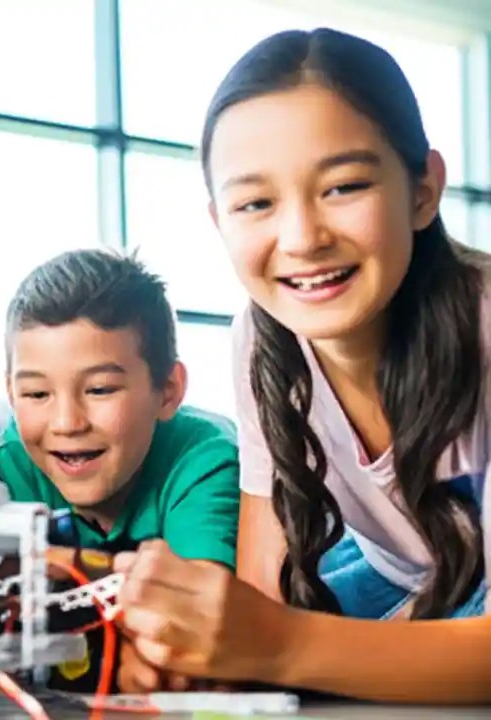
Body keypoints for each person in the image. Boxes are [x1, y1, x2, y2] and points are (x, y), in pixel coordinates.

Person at [115, 28, 491, 704]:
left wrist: (279, 645)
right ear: (218, 221)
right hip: (394, 568)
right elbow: (263, 585)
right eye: (256, 203)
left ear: (422, 190)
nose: (302, 239)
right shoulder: (263, 341)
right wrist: (208, 651)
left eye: (343, 186)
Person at [0, 249, 240, 690]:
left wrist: (64, 566)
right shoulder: (10, 464)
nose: (67, 423)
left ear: (167, 391)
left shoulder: (204, 460)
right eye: (35, 394)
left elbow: (195, 608)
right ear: (10, 393)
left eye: (100, 389)